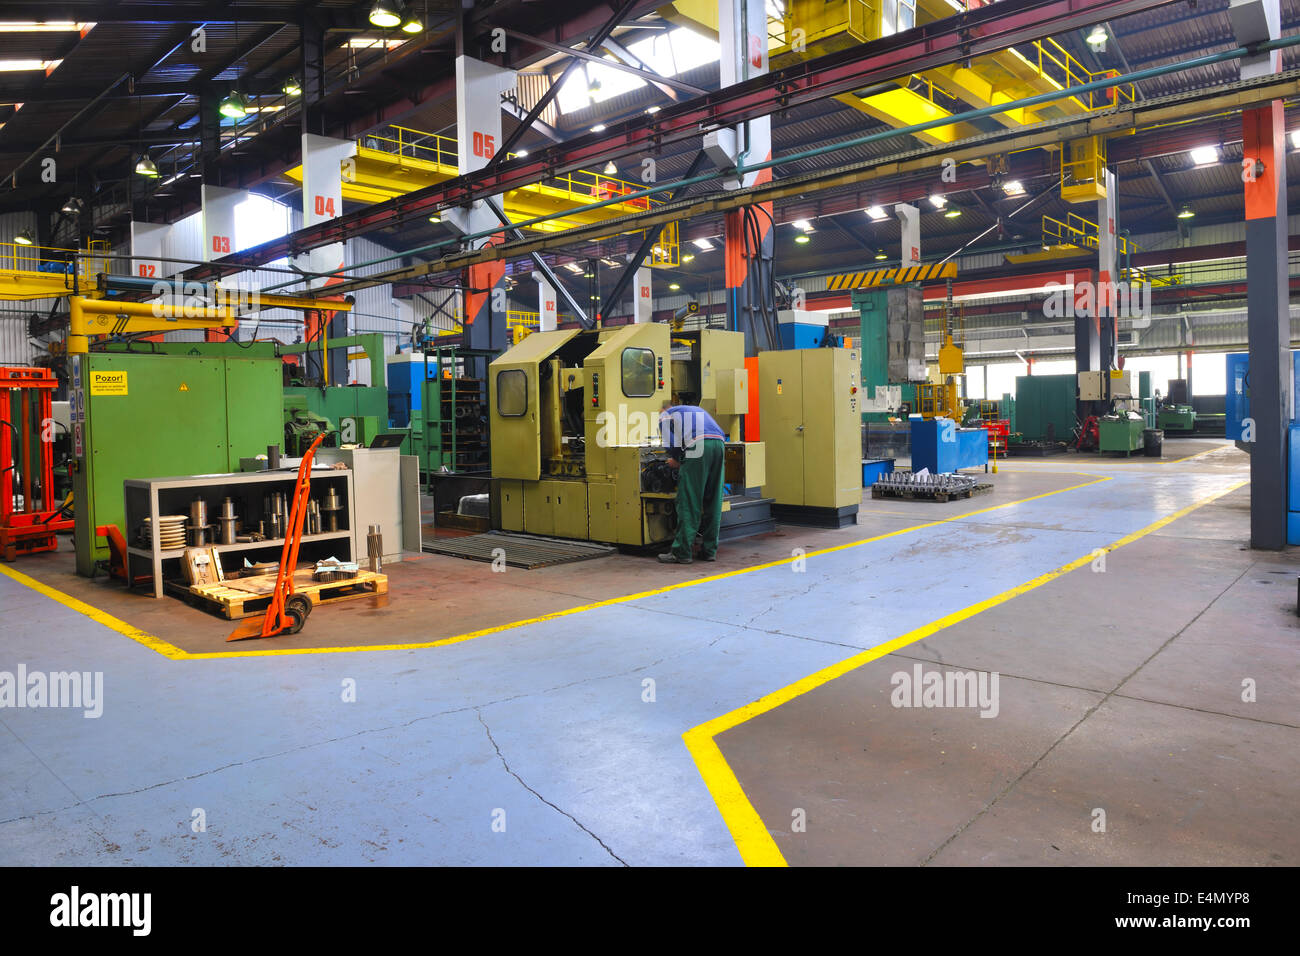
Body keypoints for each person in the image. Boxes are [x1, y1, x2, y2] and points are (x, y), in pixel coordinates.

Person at [657, 402, 727, 564]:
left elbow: (671, 444)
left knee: (689, 500)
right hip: (719, 444)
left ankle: (681, 552)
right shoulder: (695, 410)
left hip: (699, 446)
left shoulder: (664, 415)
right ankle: (709, 550)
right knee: (713, 499)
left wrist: (676, 459)